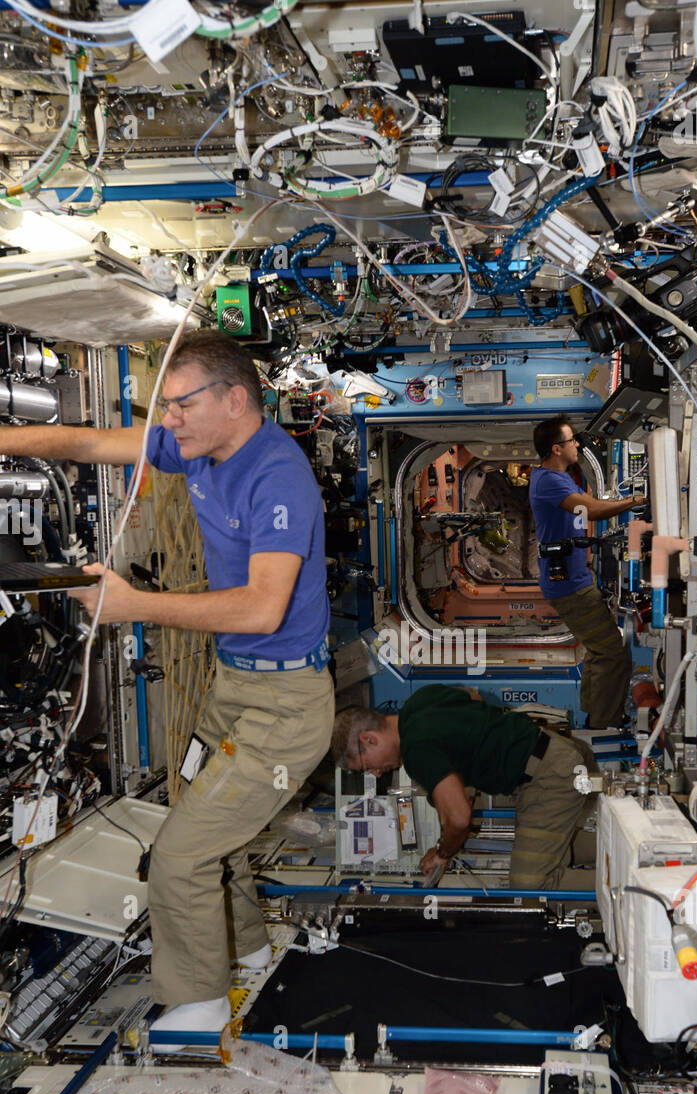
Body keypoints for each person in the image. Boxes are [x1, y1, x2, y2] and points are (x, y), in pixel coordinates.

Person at [0, 330, 334, 1046]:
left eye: (180, 405)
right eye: (165, 407)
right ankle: (248, 949)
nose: (168, 421)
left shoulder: (277, 474)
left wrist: (133, 606)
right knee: (216, 826)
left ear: (233, 398)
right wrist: (4, 439)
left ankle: (199, 1002)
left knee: (181, 855)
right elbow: (86, 446)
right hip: (236, 685)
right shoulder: (194, 446)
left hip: (284, 705)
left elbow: (260, 608)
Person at [331, 686, 598, 889]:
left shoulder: (416, 752)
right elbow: (473, 697)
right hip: (555, 751)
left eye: (366, 766)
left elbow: (459, 819)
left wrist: (443, 853)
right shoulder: (418, 702)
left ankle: (629, 890)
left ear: (370, 738)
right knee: (551, 845)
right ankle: (620, 855)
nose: (376, 773)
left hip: (549, 777)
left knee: (532, 887)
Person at [529, 414, 641, 729]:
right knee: (611, 653)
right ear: (555, 449)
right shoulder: (548, 481)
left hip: (574, 579)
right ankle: (604, 725)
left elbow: (585, 505)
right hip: (569, 586)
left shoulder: (560, 477)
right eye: (571, 441)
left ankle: (595, 716)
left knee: (598, 648)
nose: (577, 444)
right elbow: (590, 509)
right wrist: (634, 500)